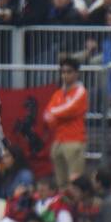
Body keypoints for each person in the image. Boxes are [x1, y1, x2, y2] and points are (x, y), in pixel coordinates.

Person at [45, 58, 89, 190]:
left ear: (76, 73)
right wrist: (56, 114)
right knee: (61, 184)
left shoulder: (80, 91)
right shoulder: (58, 93)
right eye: (63, 72)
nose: (65, 75)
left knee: (75, 184)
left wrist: (54, 113)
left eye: (69, 72)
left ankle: (74, 209)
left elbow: (69, 109)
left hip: (74, 141)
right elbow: (46, 115)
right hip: (58, 141)